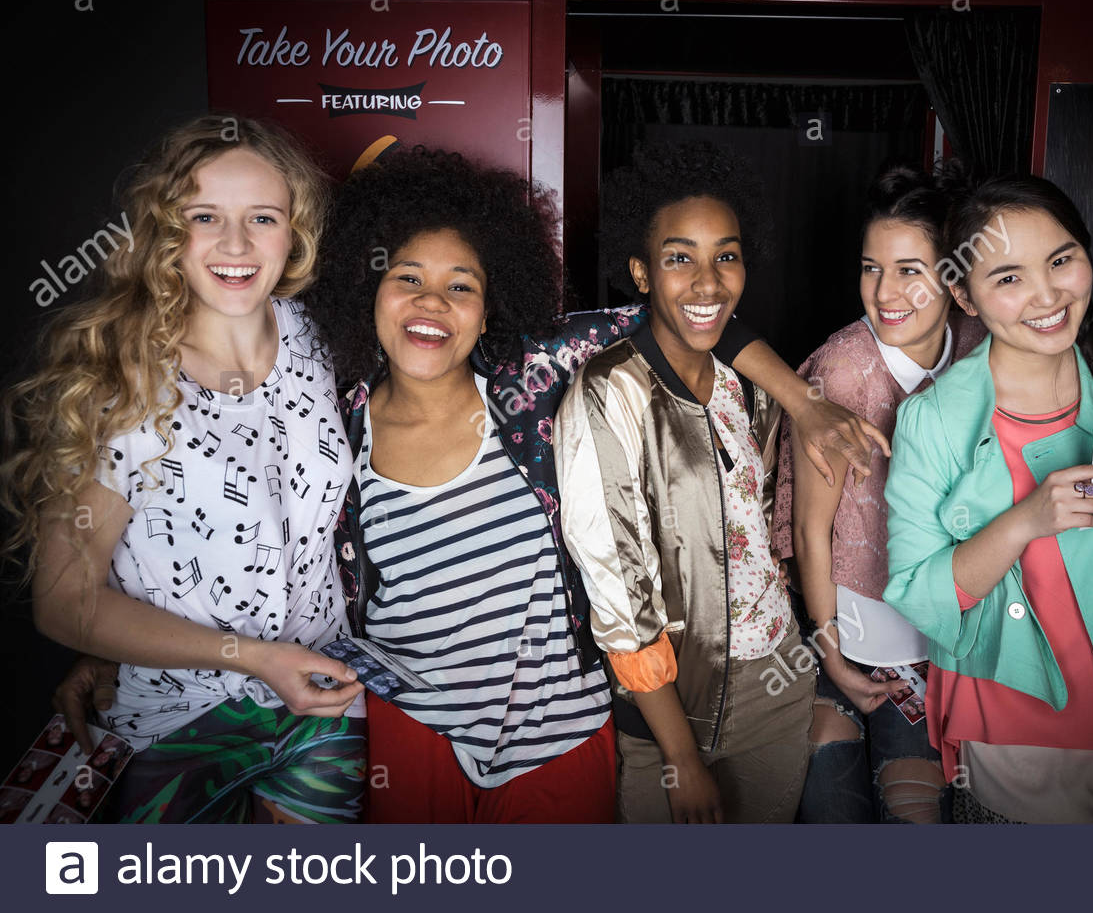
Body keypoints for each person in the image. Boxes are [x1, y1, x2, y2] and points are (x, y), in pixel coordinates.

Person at [305, 145, 888, 823]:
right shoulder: (332, 424)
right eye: (407, 278)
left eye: (461, 285)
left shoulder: (535, 383)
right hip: (415, 728)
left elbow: (689, 319)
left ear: (491, 310)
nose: (433, 301)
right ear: (366, 289)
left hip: (560, 729)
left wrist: (803, 401)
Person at [1, 115, 367, 823]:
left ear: (293, 231)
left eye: (262, 217)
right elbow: (65, 600)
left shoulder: (319, 338)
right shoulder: (120, 383)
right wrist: (256, 658)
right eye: (206, 217)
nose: (236, 245)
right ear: (169, 232)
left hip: (325, 702)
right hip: (177, 727)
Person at [881, 173, 1093, 822]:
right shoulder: (932, 421)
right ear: (963, 294)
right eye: (1009, 278)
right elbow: (919, 597)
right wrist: (1023, 523)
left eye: (1062, 260)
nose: (1047, 295)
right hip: (1018, 741)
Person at [555, 140, 836, 822]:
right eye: (680, 258)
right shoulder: (606, 394)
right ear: (641, 273)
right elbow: (619, 599)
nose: (708, 283)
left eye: (726, 256)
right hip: (673, 711)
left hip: (779, 683)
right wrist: (679, 755)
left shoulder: (752, 383)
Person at [771, 163, 985, 823]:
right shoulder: (841, 370)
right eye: (871, 268)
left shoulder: (983, 353)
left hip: (943, 651)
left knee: (918, 819)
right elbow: (811, 531)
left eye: (910, 270)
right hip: (846, 636)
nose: (884, 291)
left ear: (956, 280)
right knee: (831, 813)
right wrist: (831, 655)